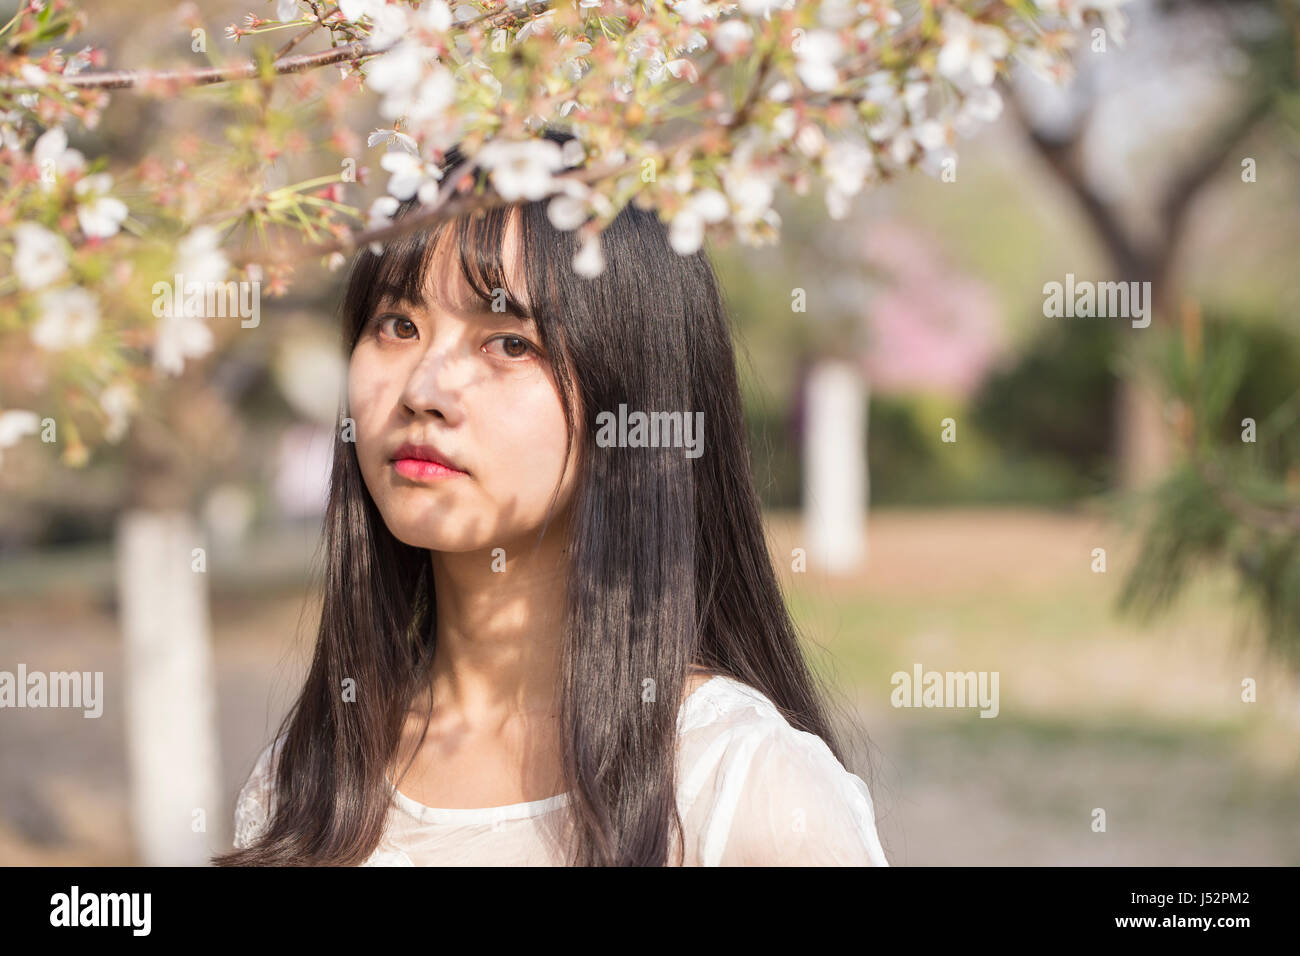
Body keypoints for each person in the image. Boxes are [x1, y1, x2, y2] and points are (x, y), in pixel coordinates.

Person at [213, 130, 889, 867]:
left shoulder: (739, 790)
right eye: (398, 326)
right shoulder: (306, 784)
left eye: (507, 343)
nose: (423, 391)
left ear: (629, 395)